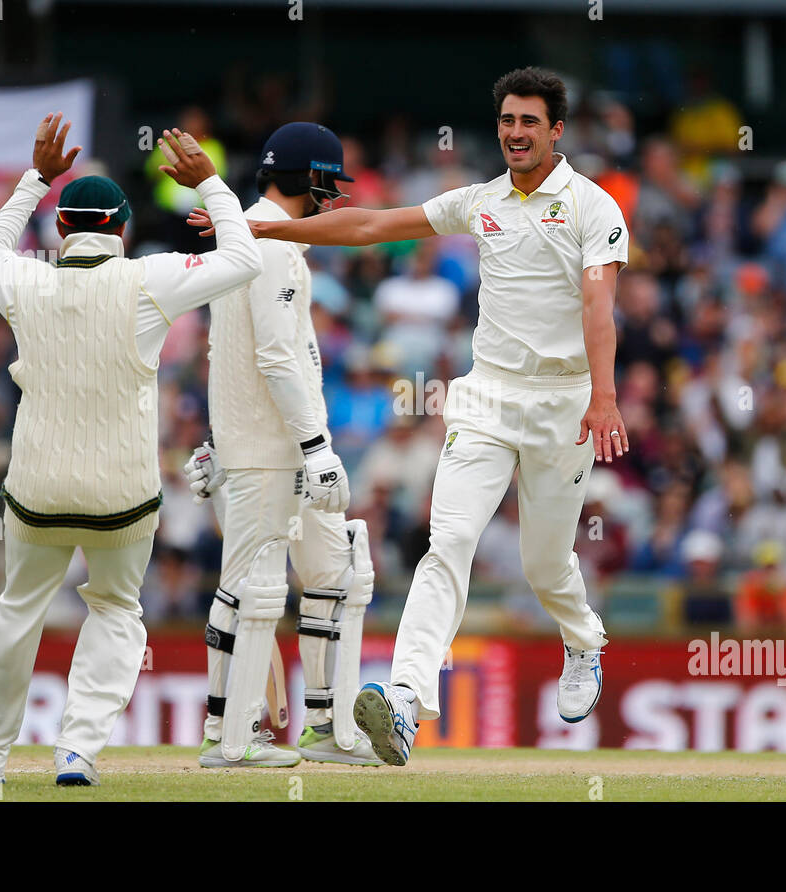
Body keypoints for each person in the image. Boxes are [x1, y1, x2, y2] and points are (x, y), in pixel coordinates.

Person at [248, 67, 630, 766]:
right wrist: (274, 229)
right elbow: (370, 223)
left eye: (530, 122)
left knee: (544, 568)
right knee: (446, 543)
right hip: (486, 398)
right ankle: (404, 701)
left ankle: (583, 639)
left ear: (557, 131)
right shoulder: (480, 202)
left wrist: (604, 396)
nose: (516, 133)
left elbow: (597, 307)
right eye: (508, 121)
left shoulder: (592, 207)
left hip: (565, 402)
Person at [0, 114, 262, 786]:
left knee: (18, 610)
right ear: (121, 229)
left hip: (36, 490)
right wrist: (211, 183)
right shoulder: (148, 278)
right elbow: (245, 259)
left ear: (61, 229)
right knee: (118, 611)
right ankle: (77, 750)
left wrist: (36, 176)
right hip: (123, 496)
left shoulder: (26, 280)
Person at [183, 122, 381, 768]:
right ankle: (229, 738)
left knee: (336, 575)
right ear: (308, 178)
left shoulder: (254, 237)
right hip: (273, 449)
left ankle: (327, 729)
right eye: (327, 181)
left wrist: (219, 435)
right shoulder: (267, 245)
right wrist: (317, 446)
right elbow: (271, 356)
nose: (332, 195)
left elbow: (238, 350)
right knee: (253, 586)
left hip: (277, 444)